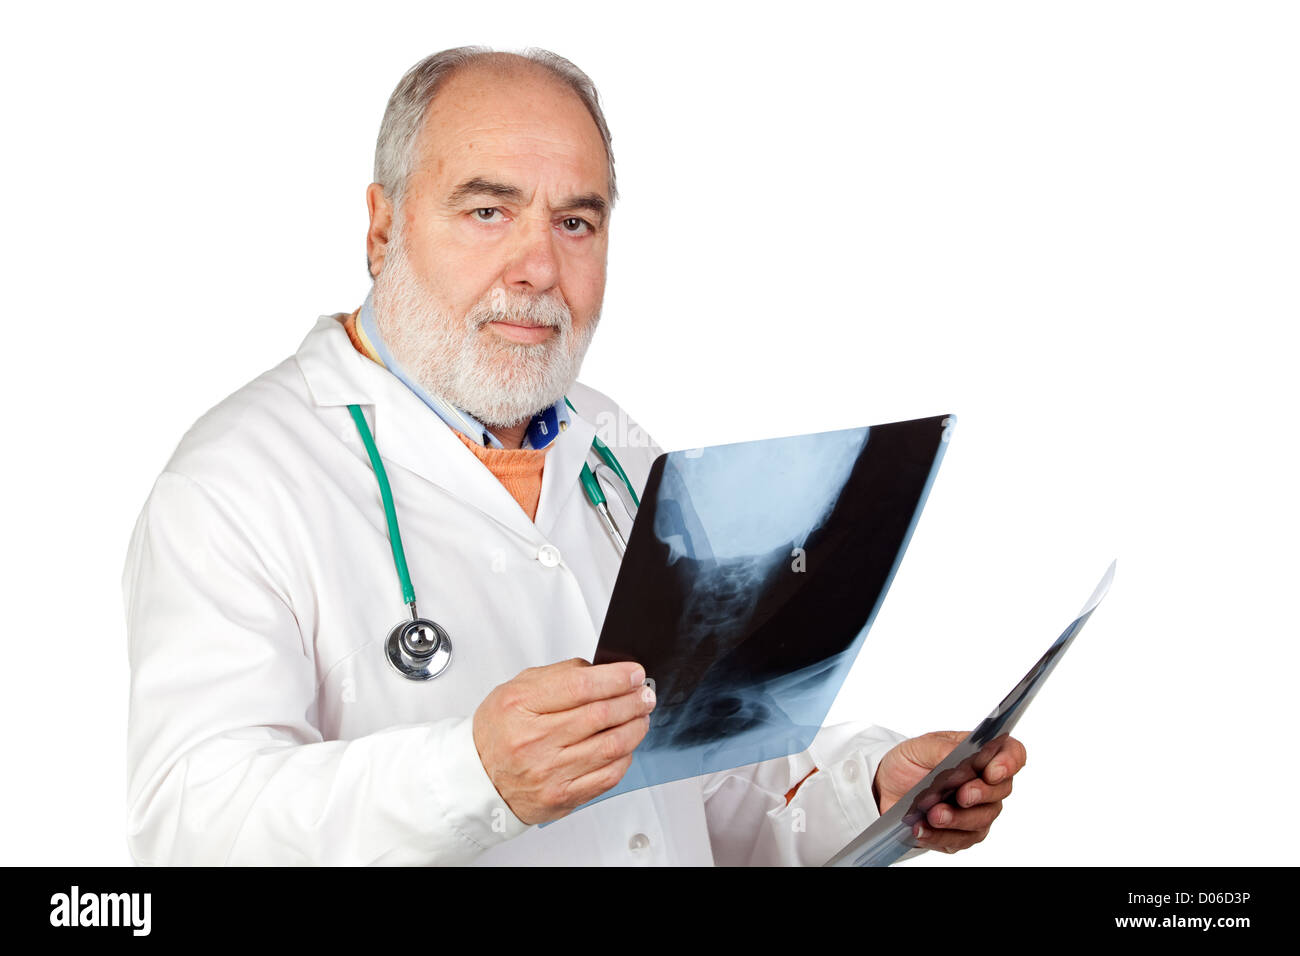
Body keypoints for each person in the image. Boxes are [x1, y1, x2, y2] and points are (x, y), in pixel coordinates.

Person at [122, 46, 1026, 866]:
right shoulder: (235, 482)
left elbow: (705, 783)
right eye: (488, 210)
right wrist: (472, 776)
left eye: (576, 223)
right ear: (382, 227)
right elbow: (189, 832)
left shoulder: (616, 447)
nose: (537, 268)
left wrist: (868, 791)